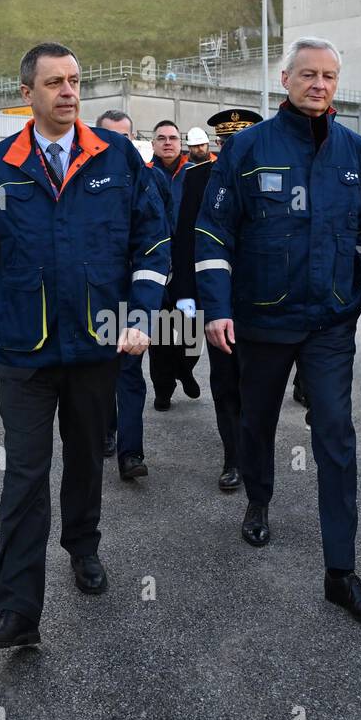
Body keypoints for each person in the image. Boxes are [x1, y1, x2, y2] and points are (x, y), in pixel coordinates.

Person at [0, 43, 169, 649]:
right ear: (28, 94)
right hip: (25, 350)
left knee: (84, 458)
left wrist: (142, 316)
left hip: (99, 343)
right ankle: (18, 612)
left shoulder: (118, 157)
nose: (69, 92)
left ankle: (83, 546)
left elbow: (152, 241)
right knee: (23, 472)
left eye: (74, 81)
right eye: (54, 83)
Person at [195, 37, 361, 625]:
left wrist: (356, 294)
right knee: (256, 420)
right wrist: (218, 307)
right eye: (309, 74)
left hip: (329, 321)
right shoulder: (248, 148)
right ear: (286, 79)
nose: (320, 85)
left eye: (330, 76)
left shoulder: (355, 151)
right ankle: (259, 498)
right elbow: (213, 232)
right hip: (262, 319)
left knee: (336, 432)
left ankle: (342, 570)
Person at [170, 107, 262, 490]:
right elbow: (185, 240)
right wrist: (186, 295)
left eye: (240, 142)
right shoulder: (196, 178)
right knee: (225, 381)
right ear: (218, 145)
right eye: (227, 143)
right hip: (217, 296)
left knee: (258, 384)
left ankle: (257, 455)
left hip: (266, 300)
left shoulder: (272, 176)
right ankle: (234, 458)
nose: (231, 150)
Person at [92, 109, 169, 481]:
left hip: (134, 294)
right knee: (99, 373)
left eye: (126, 137)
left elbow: (159, 239)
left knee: (129, 373)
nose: (119, 144)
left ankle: (131, 452)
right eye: (111, 136)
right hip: (95, 296)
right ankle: (106, 429)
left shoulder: (151, 179)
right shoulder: (85, 180)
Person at [147, 126, 215, 413]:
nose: (167, 143)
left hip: (187, 267)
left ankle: (184, 369)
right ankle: (163, 390)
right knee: (161, 335)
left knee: (191, 328)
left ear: (182, 143)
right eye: (161, 138)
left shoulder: (195, 175)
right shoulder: (145, 174)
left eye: (173, 138)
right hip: (157, 266)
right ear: (153, 143)